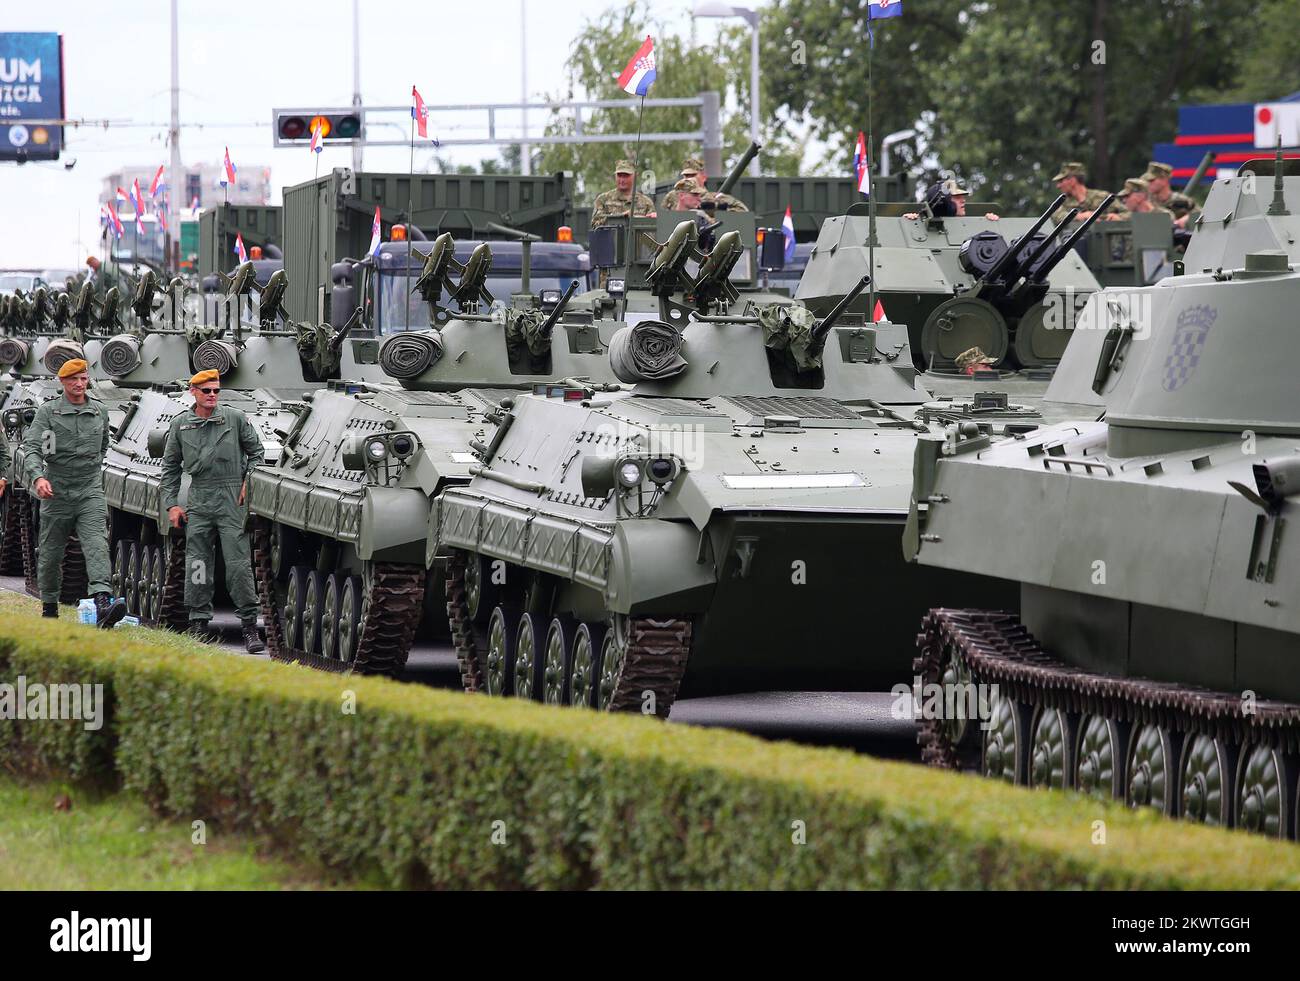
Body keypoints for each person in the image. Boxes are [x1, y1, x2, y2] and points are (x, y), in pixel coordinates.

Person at [160, 370, 267, 652]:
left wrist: (249, 481)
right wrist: (172, 503)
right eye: (206, 390)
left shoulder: (234, 419)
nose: (212, 395)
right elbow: (170, 467)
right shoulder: (181, 425)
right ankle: (198, 624)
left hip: (233, 499)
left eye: (216, 391)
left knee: (238, 565)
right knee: (198, 563)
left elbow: (257, 453)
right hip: (200, 498)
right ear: (192, 391)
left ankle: (249, 627)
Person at [20, 359, 127, 626]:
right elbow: (33, 448)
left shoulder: (99, 411)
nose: (79, 384)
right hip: (56, 489)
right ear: (63, 382)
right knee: (51, 552)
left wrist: (88, 470)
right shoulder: (49, 412)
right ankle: (49, 607)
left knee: (96, 544)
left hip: (89, 488)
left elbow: (103, 447)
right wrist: (38, 477)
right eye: (73, 380)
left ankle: (103, 601)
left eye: (83, 378)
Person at [663, 156, 749, 212]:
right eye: (686, 175)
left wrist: (716, 207)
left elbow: (743, 211)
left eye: (693, 175)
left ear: (703, 177)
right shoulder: (673, 196)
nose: (688, 179)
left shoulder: (715, 198)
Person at [590, 160, 656, 229]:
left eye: (626, 176)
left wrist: (640, 219)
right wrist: (619, 218)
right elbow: (595, 225)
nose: (622, 180)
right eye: (619, 175)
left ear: (635, 176)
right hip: (611, 239)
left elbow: (653, 230)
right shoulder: (603, 200)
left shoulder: (646, 203)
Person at [1051, 162, 1119, 223]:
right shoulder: (1063, 202)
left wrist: (1117, 217)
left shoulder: (1103, 196)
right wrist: (1080, 216)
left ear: (1072, 180)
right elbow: (1056, 216)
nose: (1058, 186)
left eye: (1061, 181)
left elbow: (1126, 213)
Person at [1142, 161, 1201, 229]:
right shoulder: (1147, 203)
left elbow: (1202, 215)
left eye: (1151, 180)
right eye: (1147, 180)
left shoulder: (1182, 201)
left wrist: (1186, 219)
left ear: (1164, 179)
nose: (1148, 183)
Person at [904, 179, 999, 220]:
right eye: (957, 198)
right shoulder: (921, 224)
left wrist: (989, 223)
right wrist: (910, 222)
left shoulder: (969, 225)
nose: (963, 200)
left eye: (962, 197)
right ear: (945, 203)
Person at [1101, 177, 1174, 221]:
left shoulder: (1164, 215)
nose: (1124, 200)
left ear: (1141, 196)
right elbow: (1111, 217)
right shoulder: (1129, 216)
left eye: (1127, 196)